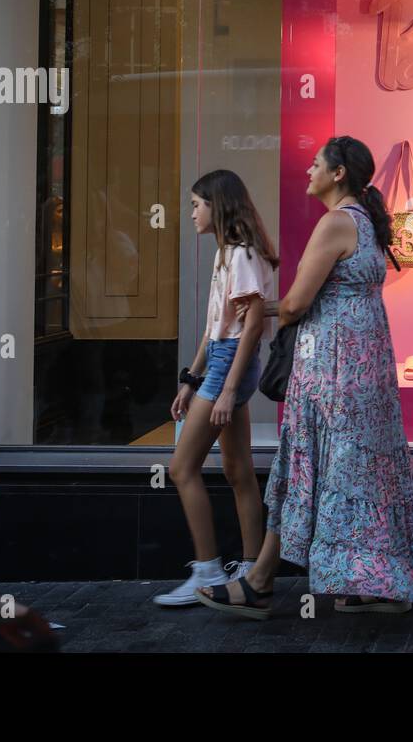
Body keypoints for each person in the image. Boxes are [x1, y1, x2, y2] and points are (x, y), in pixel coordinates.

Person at [196, 136, 413, 618]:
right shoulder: (365, 222)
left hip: (332, 369)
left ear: (339, 173)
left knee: (309, 465)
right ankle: (373, 584)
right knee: (362, 471)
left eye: (316, 164)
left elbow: (296, 304)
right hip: (367, 369)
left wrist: (256, 306)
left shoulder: (334, 223)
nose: (308, 170)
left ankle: (260, 582)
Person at [153, 170, 278, 606]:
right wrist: (191, 379)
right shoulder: (227, 253)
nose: (191, 213)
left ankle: (206, 569)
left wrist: (224, 390)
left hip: (233, 362)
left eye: (196, 204)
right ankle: (249, 571)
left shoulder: (241, 255)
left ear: (217, 205)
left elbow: (251, 326)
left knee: (180, 468)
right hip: (224, 360)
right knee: (238, 471)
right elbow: (214, 326)